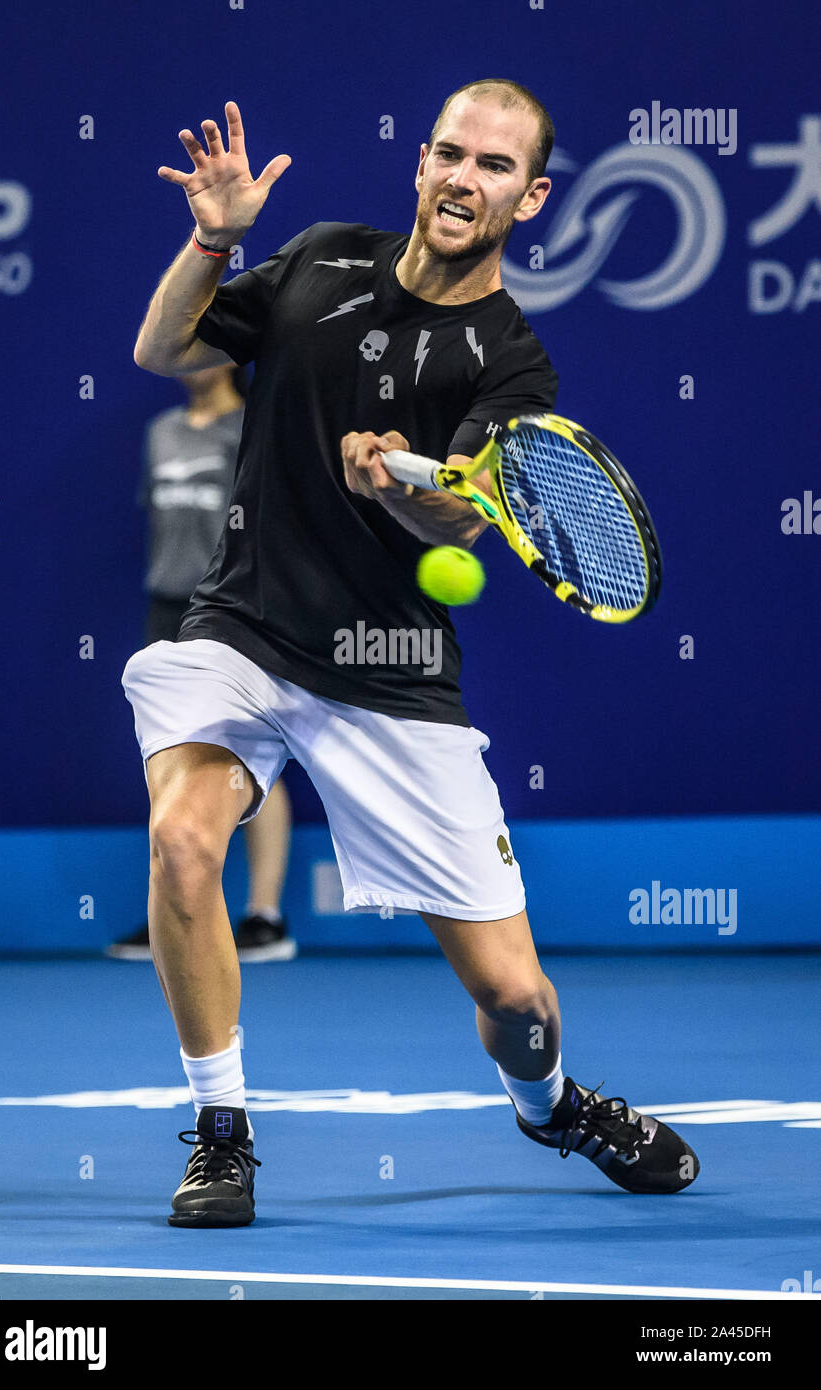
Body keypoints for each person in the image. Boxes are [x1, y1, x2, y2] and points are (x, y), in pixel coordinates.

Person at [123, 82, 699, 1228]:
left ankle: (547, 1107)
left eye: (492, 167)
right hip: (242, 629)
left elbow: (466, 521)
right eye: (447, 152)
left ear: (529, 198)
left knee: (514, 996)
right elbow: (157, 346)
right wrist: (213, 239)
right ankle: (221, 1135)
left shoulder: (510, 363)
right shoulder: (324, 259)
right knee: (183, 838)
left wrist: (399, 482)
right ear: (420, 161)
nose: (459, 178)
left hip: (391, 680)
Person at [108, 363, 296, 963]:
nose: (188, 359)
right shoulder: (160, 429)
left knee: (253, 760)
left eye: (203, 347)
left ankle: (264, 919)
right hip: (167, 610)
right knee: (166, 758)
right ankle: (171, 913)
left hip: (236, 609)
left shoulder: (254, 427)